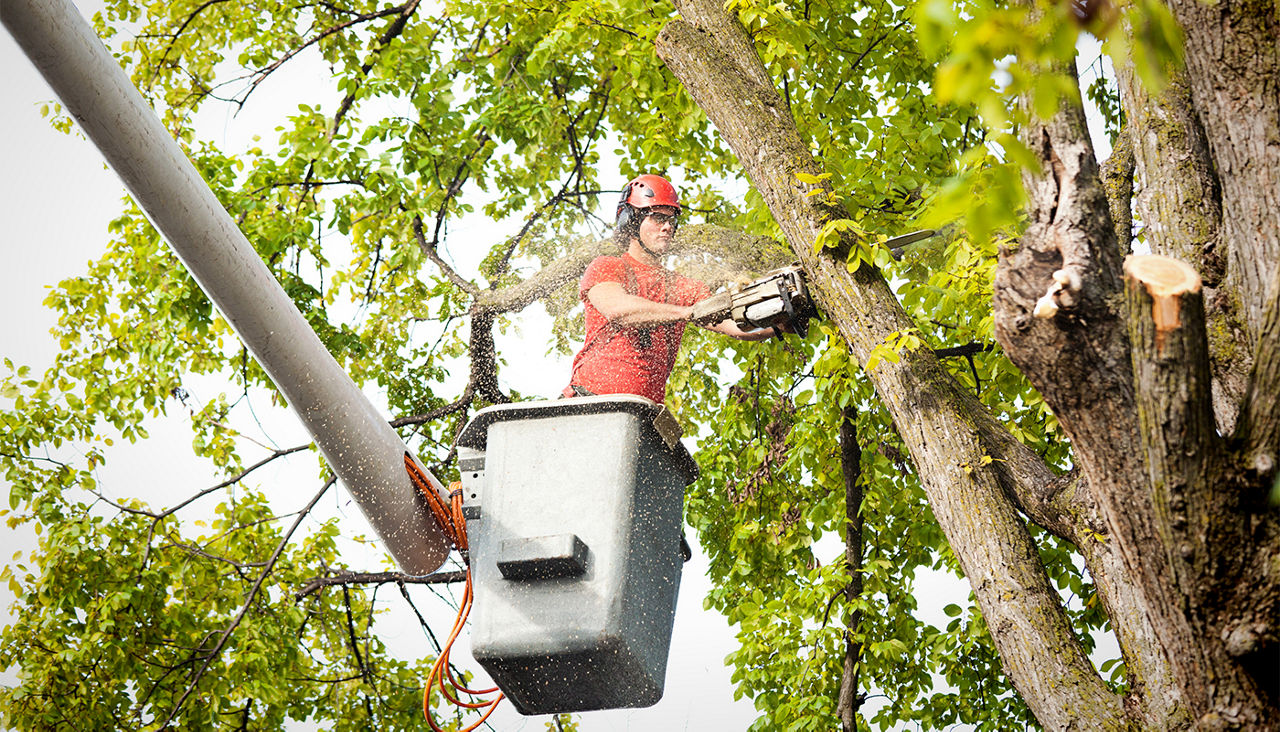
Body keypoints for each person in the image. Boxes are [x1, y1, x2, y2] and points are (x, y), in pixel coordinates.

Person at [562, 174, 778, 403]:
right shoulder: (608, 266)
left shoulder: (683, 287)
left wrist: (779, 323)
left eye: (671, 220)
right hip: (588, 403)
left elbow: (736, 326)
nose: (666, 227)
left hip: (643, 413)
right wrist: (686, 313)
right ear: (631, 222)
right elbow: (619, 309)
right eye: (657, 218)